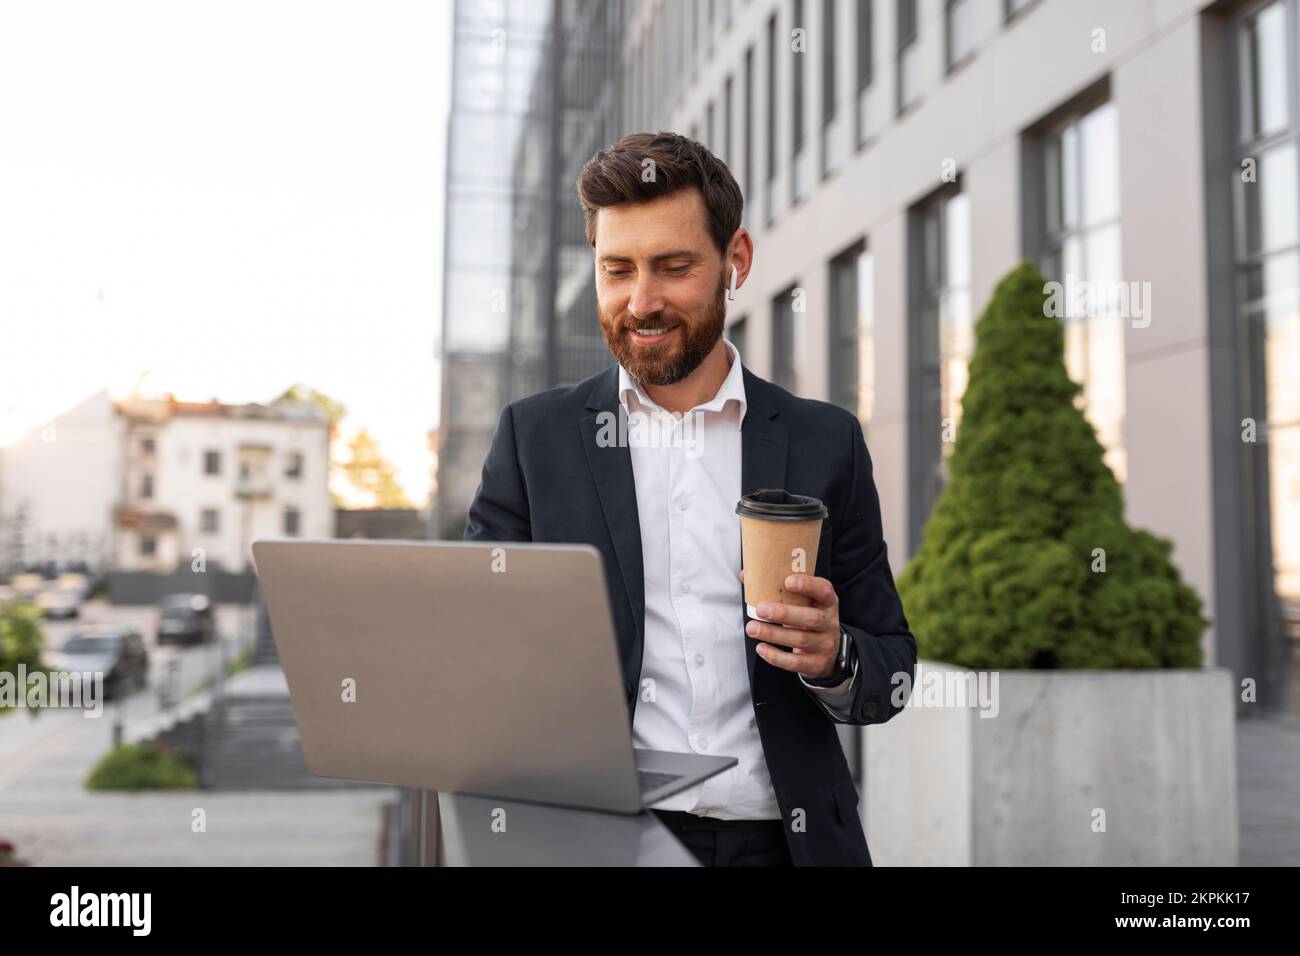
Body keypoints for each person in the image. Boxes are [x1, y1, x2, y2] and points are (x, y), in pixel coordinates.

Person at [464, 131, 916, 866]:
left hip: (787, 844)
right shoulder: (532, 438)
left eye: (673, 267)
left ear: (735, 260)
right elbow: (477, 643)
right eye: (617, 270)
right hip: (598, 841)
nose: (641, 302)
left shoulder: (826, 442)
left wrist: (834, 658)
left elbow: (892, 669)